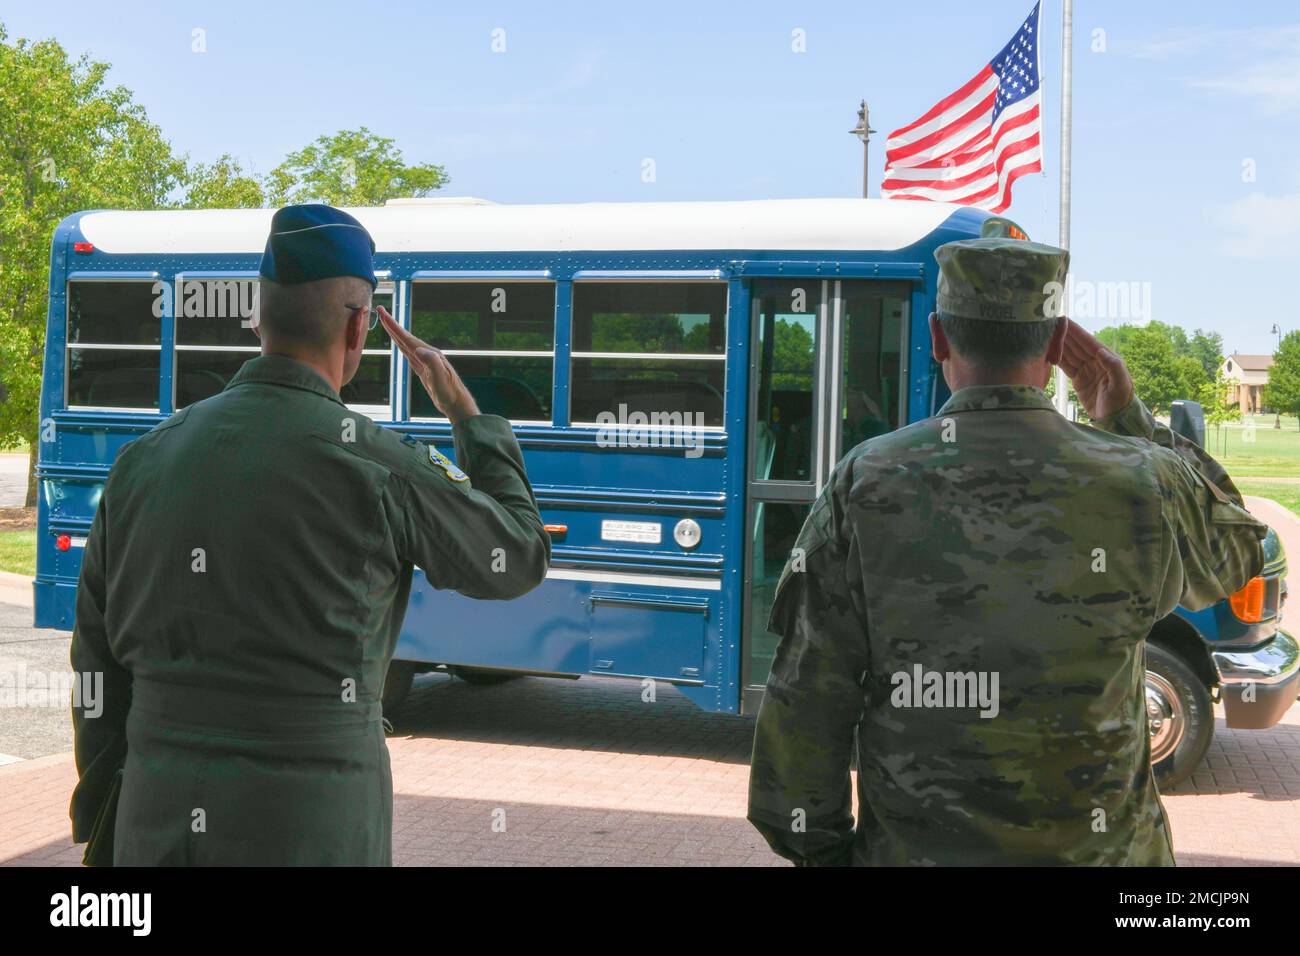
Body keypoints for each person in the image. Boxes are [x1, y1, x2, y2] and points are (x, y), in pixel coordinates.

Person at [747, 237, 1266, 866]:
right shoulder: (1142, 478)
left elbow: (809, 692)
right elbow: (1240, 552)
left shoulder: (869, 480)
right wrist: (1127, 417)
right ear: (1054, 347)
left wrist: (823, 852)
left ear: (938, 338)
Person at [69, 204, 551, 865]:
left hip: (159, 820)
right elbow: (516, 559)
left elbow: (96, 667)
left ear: (258, 317)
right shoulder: (380, 464)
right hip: (312, 828)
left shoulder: (143, 460)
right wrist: (468, 416)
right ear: (359, 326)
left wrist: (106, 813)